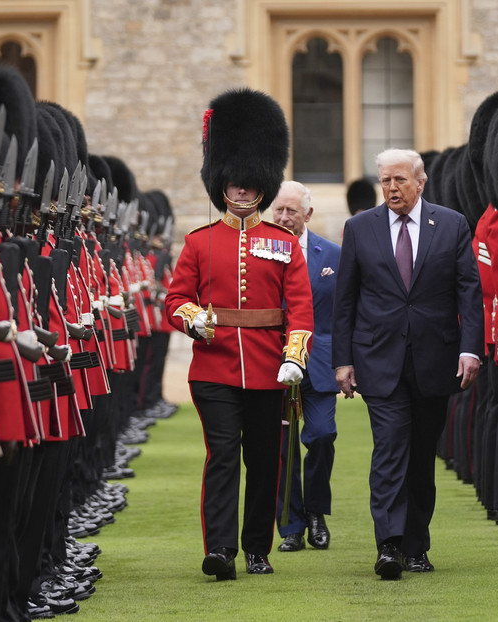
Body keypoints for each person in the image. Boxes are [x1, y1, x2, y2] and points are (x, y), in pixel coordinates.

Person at [164, 89, 315, 579]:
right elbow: (175, 300)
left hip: (271, 370)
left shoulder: (284, 244)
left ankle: (257, 549)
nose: (244, 190)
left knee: (265, 462)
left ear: (262, 186)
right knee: (224, 457)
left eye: (252, 184)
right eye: (235, 182)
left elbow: (300, 309)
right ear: (221, 182)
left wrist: (295, 355)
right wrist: (195, 319)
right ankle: (221, 550)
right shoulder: (199, 243)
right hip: (215, 368)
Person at [332, 148, 482, 579]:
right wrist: (342, 360)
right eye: (385, 181)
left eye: (399, 180)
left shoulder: (451, 224)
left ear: (421, 181)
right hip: (379, 360)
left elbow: (468, 292)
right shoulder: (360, 229)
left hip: (435, 360)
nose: (392, 188)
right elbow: (345, 300)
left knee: (420, 457)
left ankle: (417, 545)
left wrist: (470, 349)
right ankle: (389, 545)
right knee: (390, 450)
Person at [272, 180, 342, 552]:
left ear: (308, 215)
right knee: (281, 447)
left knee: (321, 436)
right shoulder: (258, 253)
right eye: (278, 210)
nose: (284, 218)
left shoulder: (332, 255)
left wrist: (348, 362)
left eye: (291, 212)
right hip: (272, 362)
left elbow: (345, 313)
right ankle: (291, 526)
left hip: (320, 363)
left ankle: (316, 511)